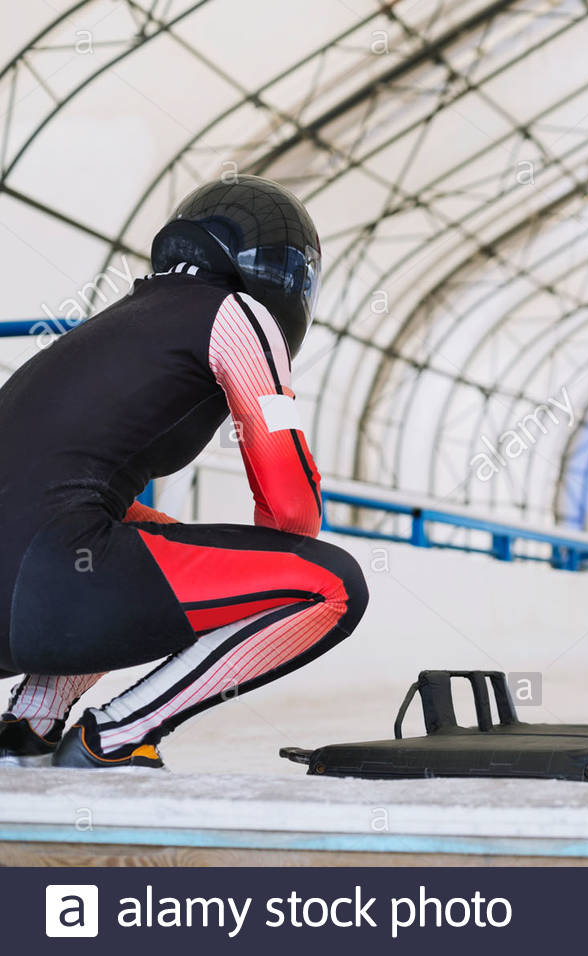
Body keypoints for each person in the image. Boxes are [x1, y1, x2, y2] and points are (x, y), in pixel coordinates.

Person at [0, 176, 368, 768]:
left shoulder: (112, 319)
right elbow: (292, 508)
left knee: (143, 535)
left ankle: (28, 725)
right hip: (48, 586)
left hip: (30, 591)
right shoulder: (239, 313)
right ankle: (117, 736)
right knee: (331, 584)